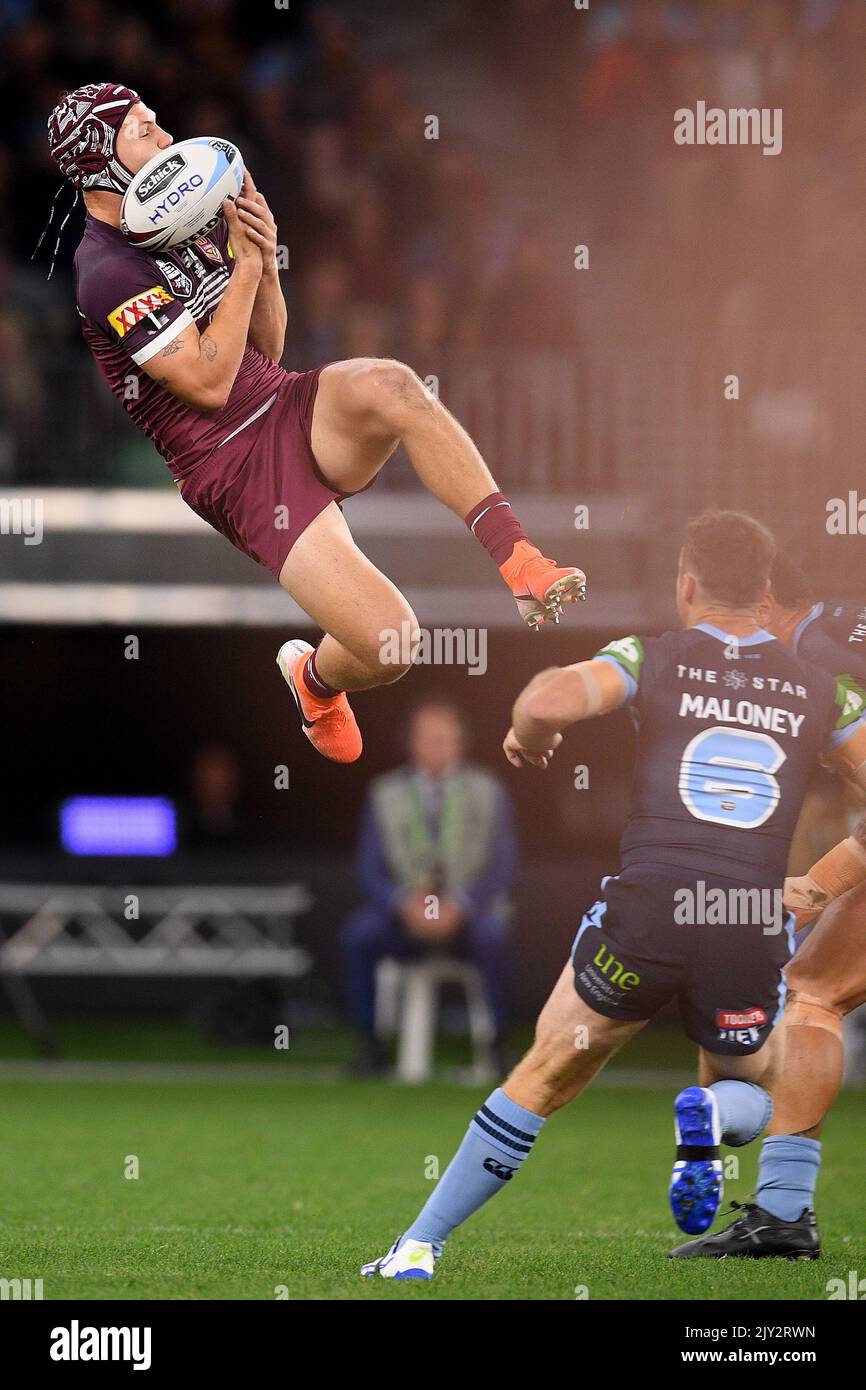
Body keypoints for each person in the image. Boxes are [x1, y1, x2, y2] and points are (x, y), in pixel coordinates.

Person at [361, 510, 866, 1280]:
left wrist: (531, 735)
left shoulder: (653, 657)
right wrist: (820, 885)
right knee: (757, 1089)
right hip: (747, 918)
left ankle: (417, 1249)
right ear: (765, 593)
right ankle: (704, 1121)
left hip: (648, 908)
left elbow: (551, 700)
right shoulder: (821, 690)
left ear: (686, 586)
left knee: (543, 1074)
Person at [47, 83, 586, 766]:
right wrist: (245, 267)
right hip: (232, 467)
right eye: (144, 131)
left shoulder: (182, 211)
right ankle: (316, 682)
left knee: (395, 385)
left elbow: (265, 349)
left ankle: (521, 559)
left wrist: (264, 263)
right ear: (98, 162)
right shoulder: (106, 271)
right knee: (394, 643)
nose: (165, 140)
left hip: (281, 400)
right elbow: (210, 385)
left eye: (159, 123)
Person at [673, 552, 866, 1257]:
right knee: (813, 991)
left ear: (768, 606)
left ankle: (784, 1217)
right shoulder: (840, 627)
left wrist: (820, 881)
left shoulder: (815, 651)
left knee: (811, 994)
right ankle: (782, 1212)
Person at [343, 700, 516, 1075]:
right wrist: (404, 903)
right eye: (429, 739)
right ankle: (371, 1045)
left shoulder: (488, 790)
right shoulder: (383, 793)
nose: (437, 747)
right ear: (412, 742)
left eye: (445, 739)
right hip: (406, 915)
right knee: (359, 935)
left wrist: (462, 904)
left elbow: (503, 864)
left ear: (460, 742)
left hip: (468, 915)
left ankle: (498, 1045)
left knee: (494, 935)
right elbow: (369, 870)